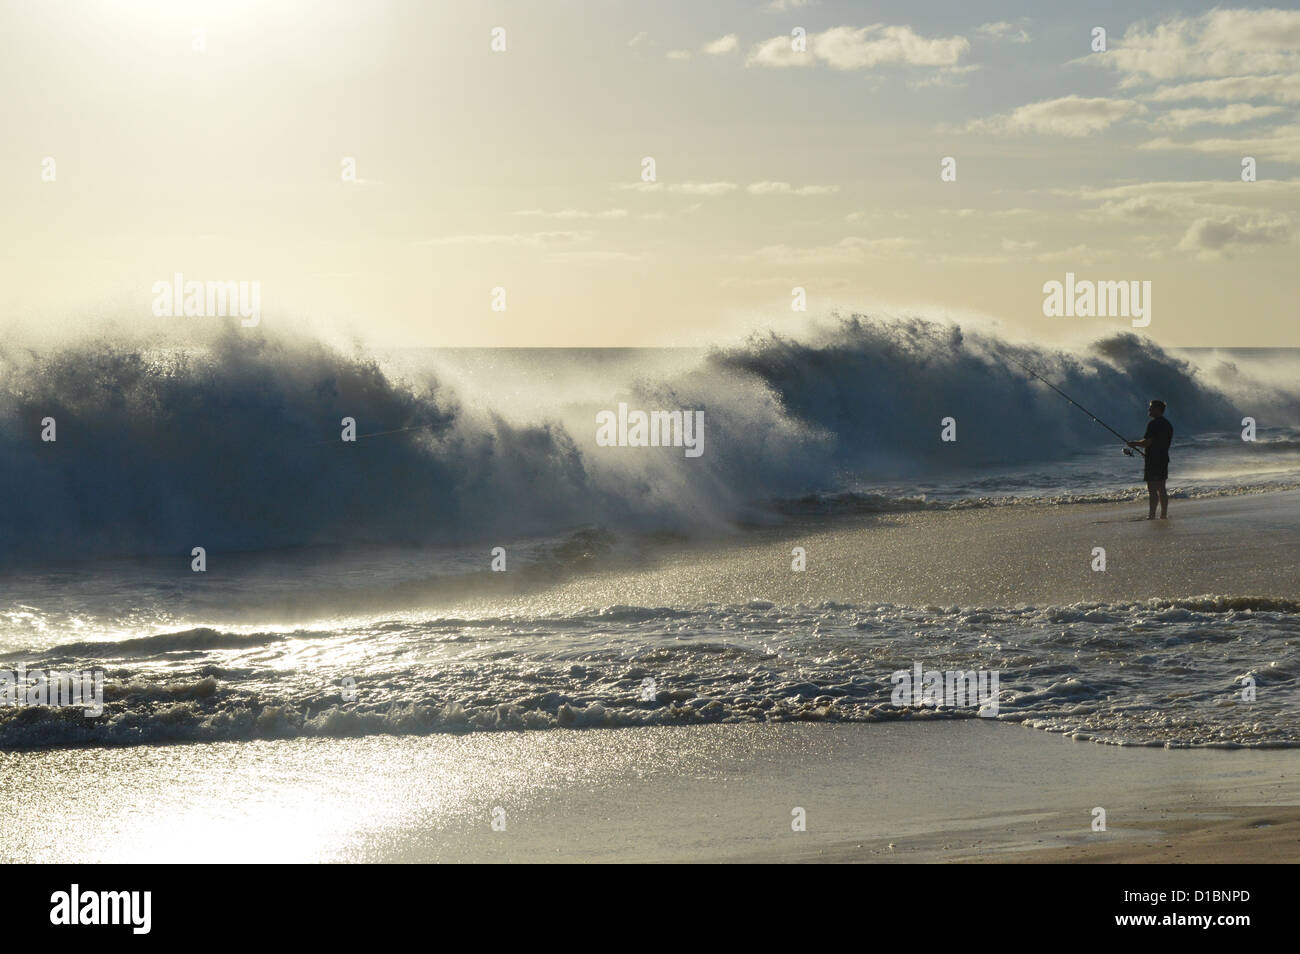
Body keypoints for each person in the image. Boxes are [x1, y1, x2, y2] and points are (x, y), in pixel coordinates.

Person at [1127, 400, 1173, 519]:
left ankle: (1152, 515)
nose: (1149, 410)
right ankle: (1163, 515)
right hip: (1163, 458)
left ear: (1158, 409)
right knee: (1161, 488)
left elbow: (1147, 442)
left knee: (1152, 489)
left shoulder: (1153, 424)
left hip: (1153, 460)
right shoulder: (1168, 424)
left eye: (1151, 408)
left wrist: (1134, 443)